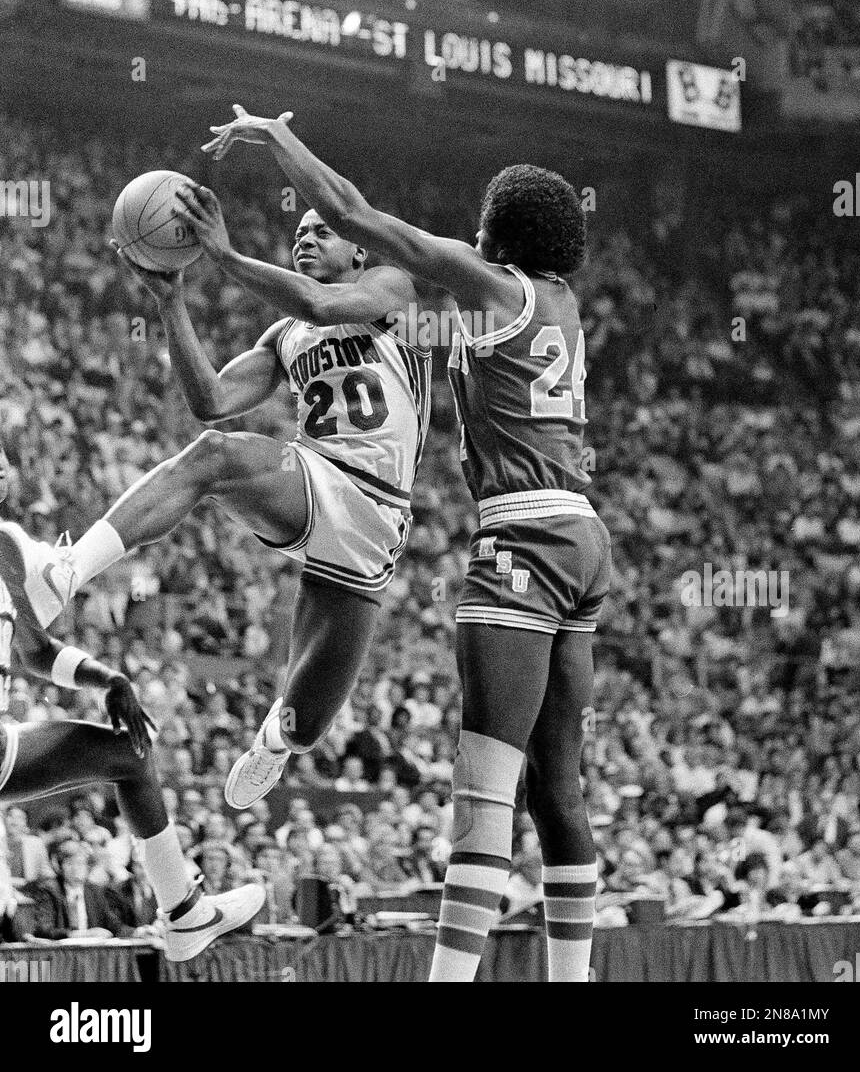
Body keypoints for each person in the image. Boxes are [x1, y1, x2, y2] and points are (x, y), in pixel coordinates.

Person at [198, 104, 612, 984]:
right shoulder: (562, 303)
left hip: (524, 536)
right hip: (586, 539)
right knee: (559, 788)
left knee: (484, 785)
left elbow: (351, 212)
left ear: (499, 231)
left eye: (482, 218)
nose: (468, 227)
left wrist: (278, 140)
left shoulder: (493, 286)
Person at [0, 189, 431, 811]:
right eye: (299, 232)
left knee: (306, 724)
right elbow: (211, 400)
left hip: (378, 516)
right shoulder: (285, 337)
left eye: (321, 231)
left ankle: (274, 739)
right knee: (215, 452)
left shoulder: (393, 289)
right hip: (318, 476)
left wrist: (224, 255)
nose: (304, 238)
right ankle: (70, 569)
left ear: (359, 248)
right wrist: (171, 302)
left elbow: (319, 300)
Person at [0, 446, 264, 961]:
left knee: (131, 753)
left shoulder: (6, 548)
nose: (0, 465)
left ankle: (184, 914)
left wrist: (107, 678)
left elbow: (33, 649)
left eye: (3, 456)